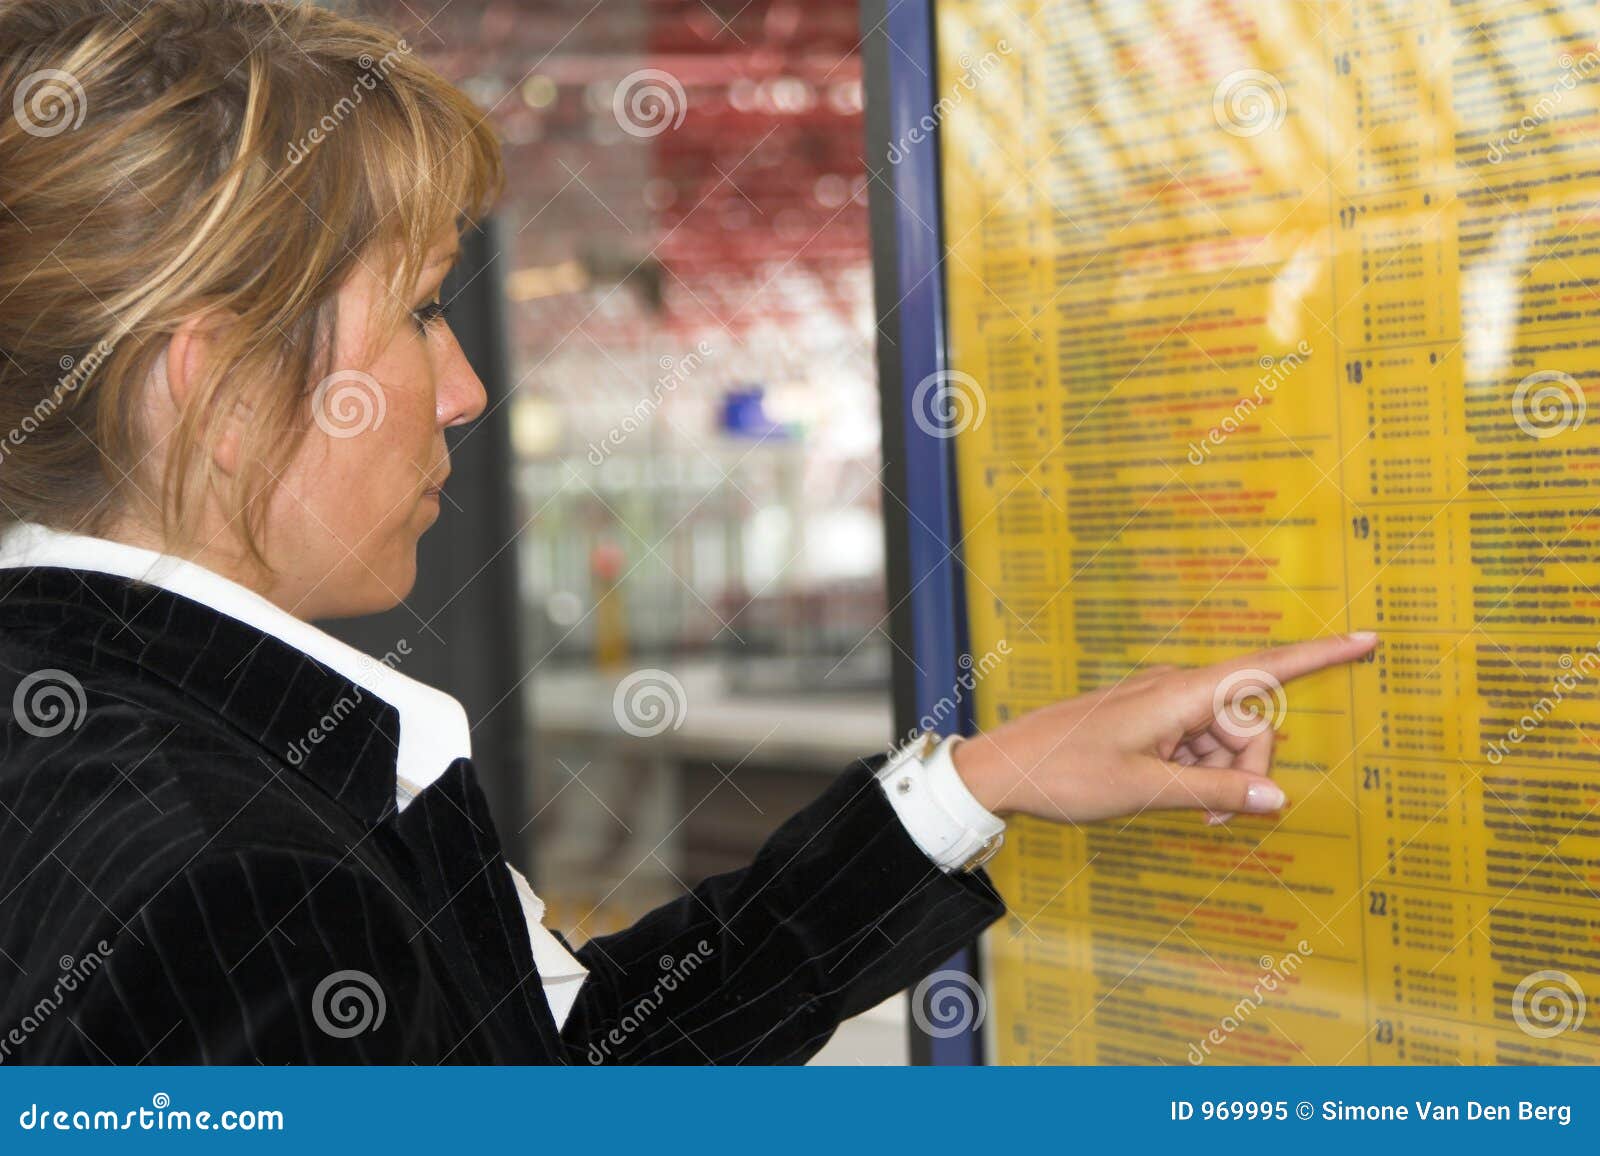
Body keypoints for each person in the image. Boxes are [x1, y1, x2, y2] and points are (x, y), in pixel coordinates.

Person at [0, 0, 1376, 1064]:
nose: (467, 388)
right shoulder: (231, 891)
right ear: (222, 386)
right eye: (422, 311)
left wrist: (981, 780)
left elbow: (557, 1066)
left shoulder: (107, 748)